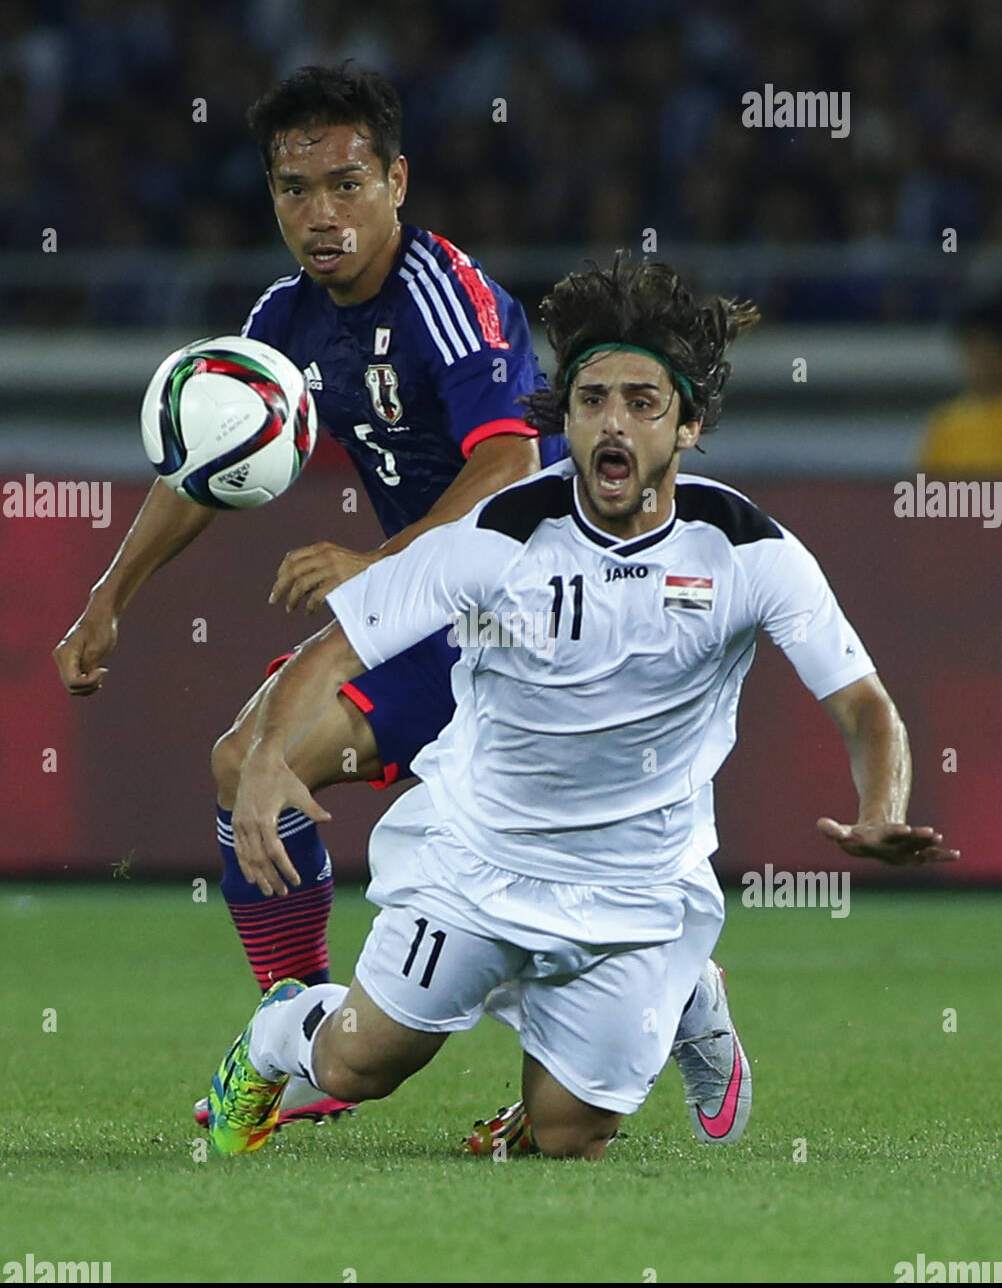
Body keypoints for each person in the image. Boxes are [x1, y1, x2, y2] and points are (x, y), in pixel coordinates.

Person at [52, 64, 744, 1141]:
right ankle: (295, 1024)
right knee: (249, 764)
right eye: (293, 190)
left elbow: (510, 466)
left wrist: (382, 569)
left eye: (345, 183)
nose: (320, 215)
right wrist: (110, 597)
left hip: (545, 631)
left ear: (397, 181)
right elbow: (204, 458)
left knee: (564, 895)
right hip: (432, 630)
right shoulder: (286, 317)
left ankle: (687, 991)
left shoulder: (443, 294)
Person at [207, 255, 958, 1160]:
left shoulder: (749, 551)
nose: (614, 421)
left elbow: (865, 704)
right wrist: (263, 761)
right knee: (360, 1065)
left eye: (643, 402)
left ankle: (684, 995)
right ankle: (283, 1028)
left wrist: (883, 810)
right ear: (562, 415)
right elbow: (336, 647)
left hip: (638, 884)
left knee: (568, 1140)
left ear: (689, 426)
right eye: (592, 397)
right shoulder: (497, 536)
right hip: (480, 857)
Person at [919, 290, 1002, 476]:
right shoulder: (947, 424)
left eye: (987, 350)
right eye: (971, 349)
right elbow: (925, 496)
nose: (979, 361)